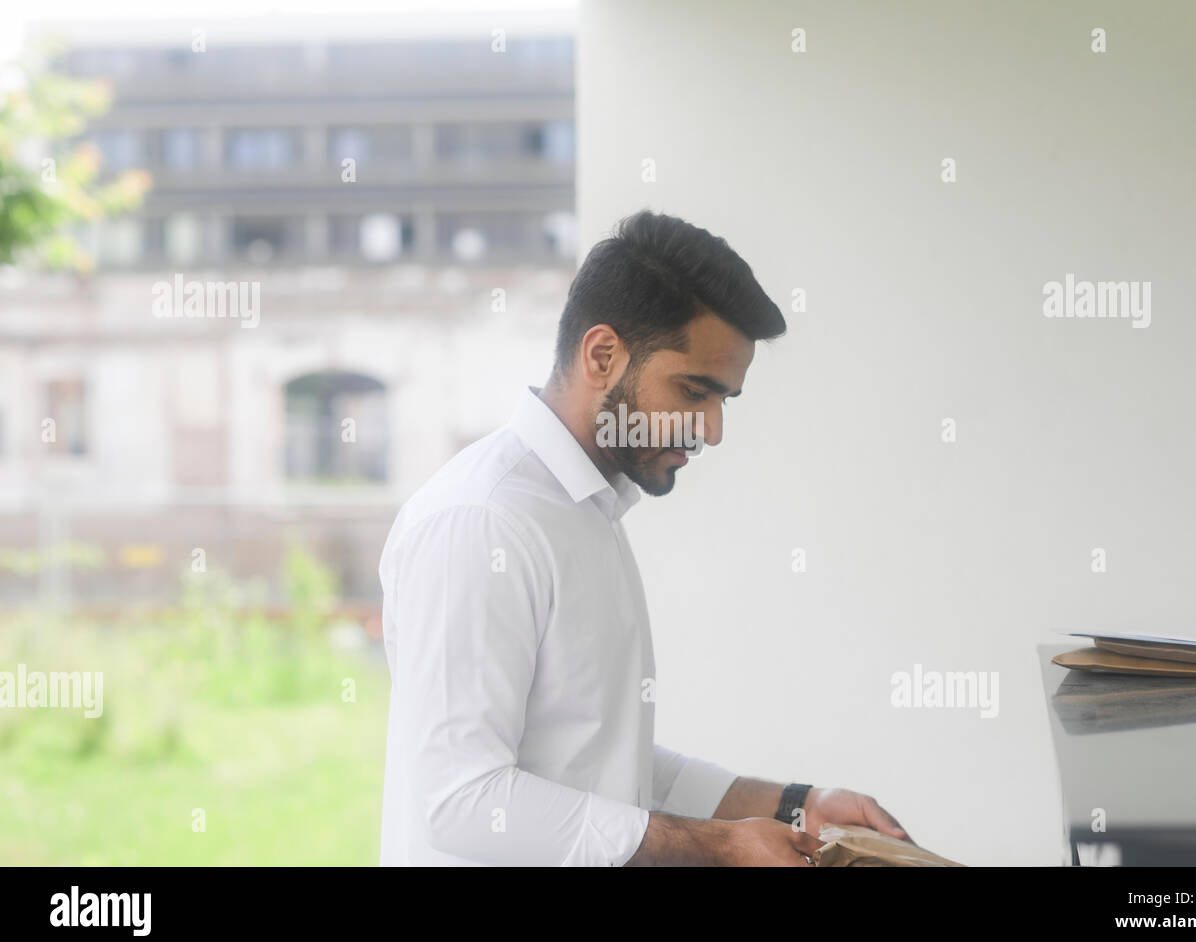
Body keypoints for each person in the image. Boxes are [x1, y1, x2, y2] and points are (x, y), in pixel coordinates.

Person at [378, 209, 909, 866]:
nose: (711, 431)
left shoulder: (585, 510)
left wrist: (794, 805)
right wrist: (720, 847)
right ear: (602, 355)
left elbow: (598, 756)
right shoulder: (482, 521)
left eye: (723, 402)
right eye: (694, 391)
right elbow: (462, 802)